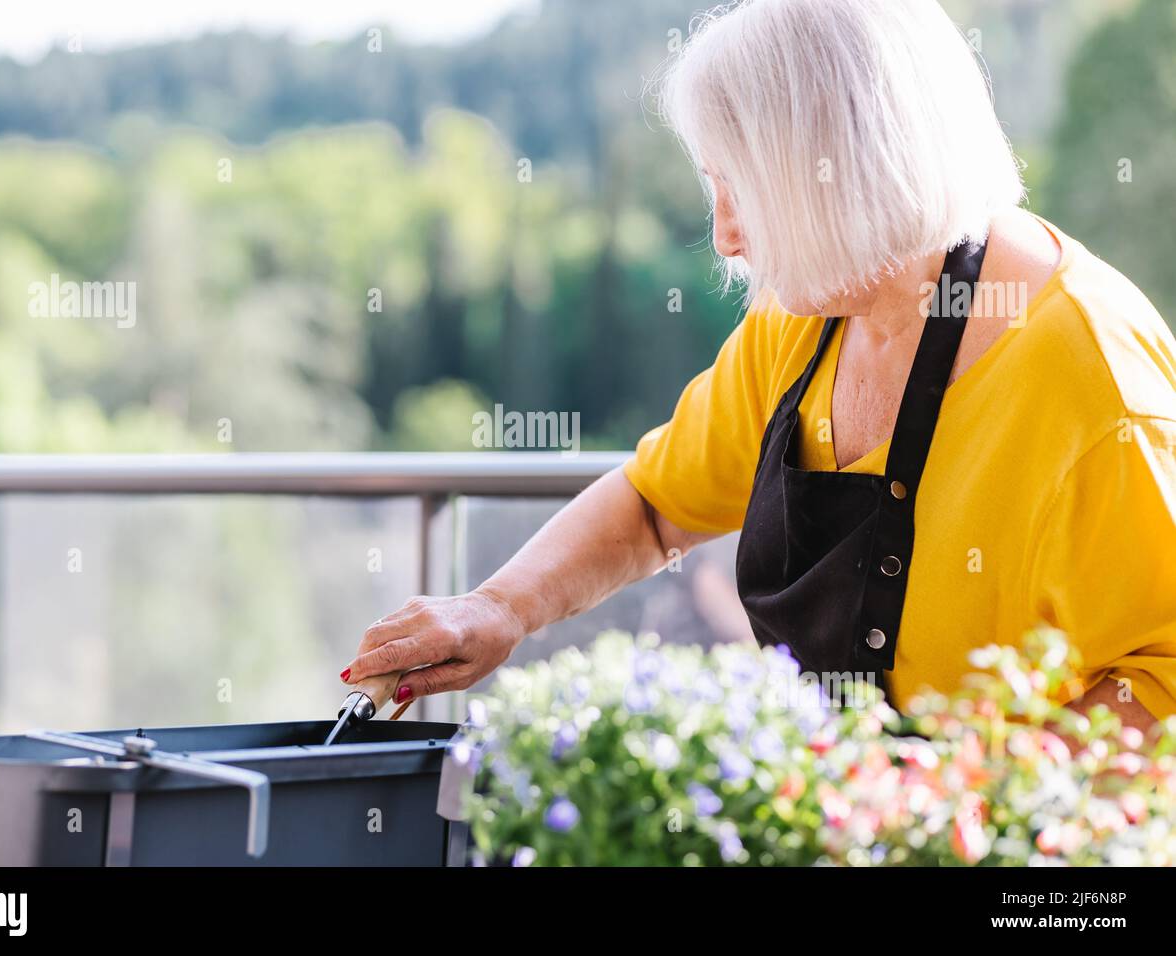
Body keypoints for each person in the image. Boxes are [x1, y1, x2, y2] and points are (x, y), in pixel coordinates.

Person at [341, 0, 1176, 728]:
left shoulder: (1092, 381)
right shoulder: (802, 327)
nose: (727, 237)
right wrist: (499, 608)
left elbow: (1162, 685)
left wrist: (937, 808)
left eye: (740, 190)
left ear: (843, 173)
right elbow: (653, 507)